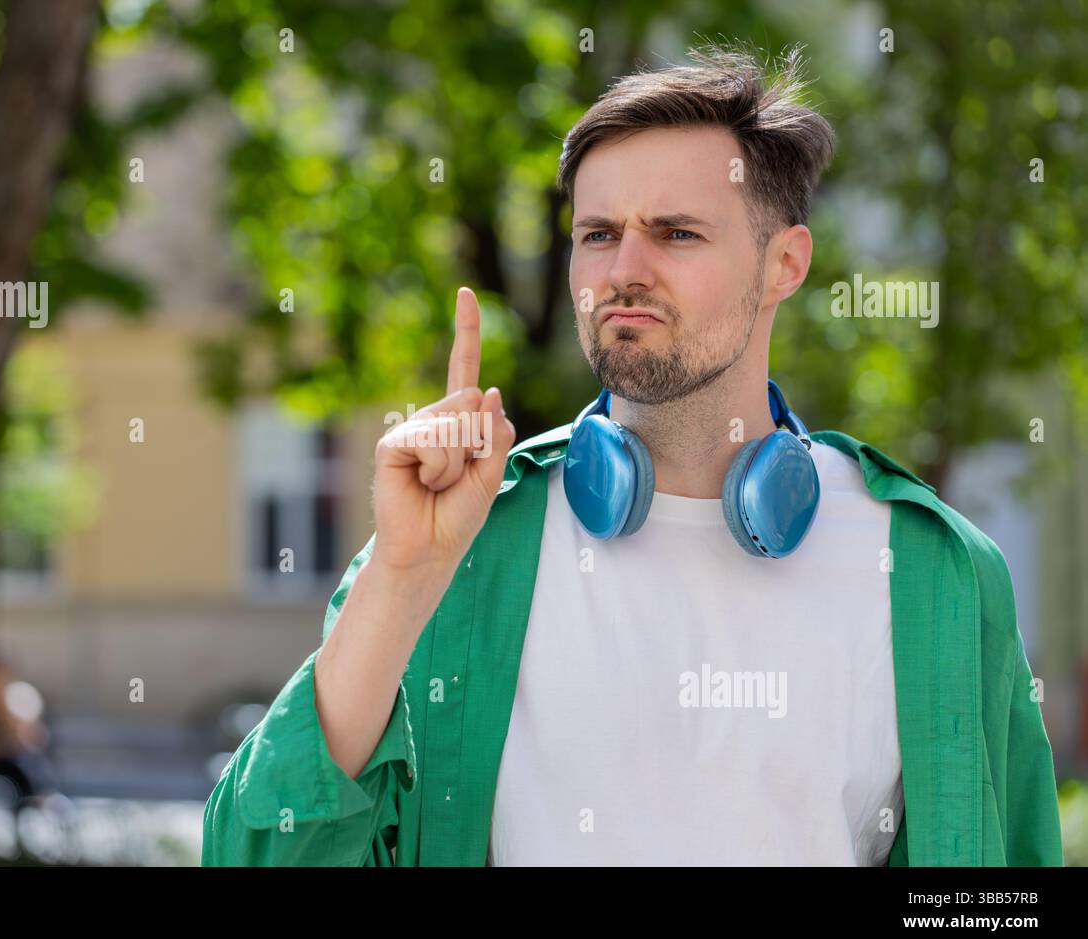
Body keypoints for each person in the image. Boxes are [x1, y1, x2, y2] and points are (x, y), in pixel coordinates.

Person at [202, 43, 1062, 866]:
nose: (624, 269)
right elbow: (258, 854)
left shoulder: (933, 573)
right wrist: (400, 577)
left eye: (677, 234)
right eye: (599, 234)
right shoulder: (459, 547)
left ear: (784, 265)